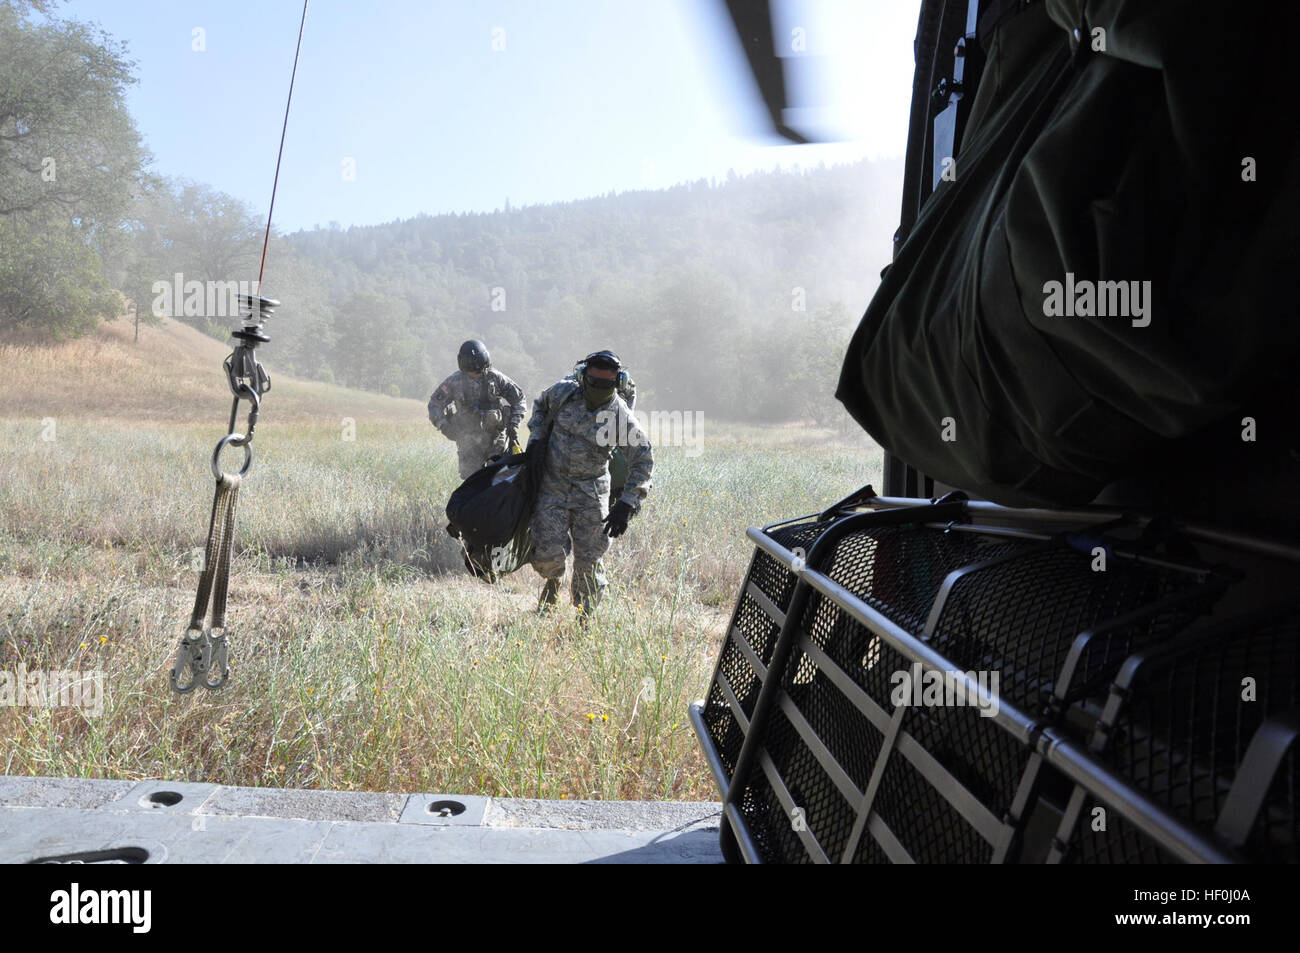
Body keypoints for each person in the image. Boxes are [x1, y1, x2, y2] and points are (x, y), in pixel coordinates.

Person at [527, 350, 652, 615]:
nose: (599, 389)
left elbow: (643, 460)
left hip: (592, 492)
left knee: (590, 559)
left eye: (607, 385)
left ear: (617, 384)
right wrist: (537, 438)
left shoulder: (620, 417)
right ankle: (553, 581)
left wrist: (627, 504)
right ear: (583, 378)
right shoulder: (563, 393)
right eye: (594, 383)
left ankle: (586, 619)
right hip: (554, 486)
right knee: (547, 555)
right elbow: (540, 405)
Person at [428, 340, 526, 480]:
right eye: (471, 366)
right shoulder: (454, 382)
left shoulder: (496, 378)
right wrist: (445, 427)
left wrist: (514, 425)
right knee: (472, 486)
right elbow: (434, 405)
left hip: (496, 440)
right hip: (468, 443)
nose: (475, 371)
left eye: (477, 365)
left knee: (499, 482)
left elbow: (519, 400)